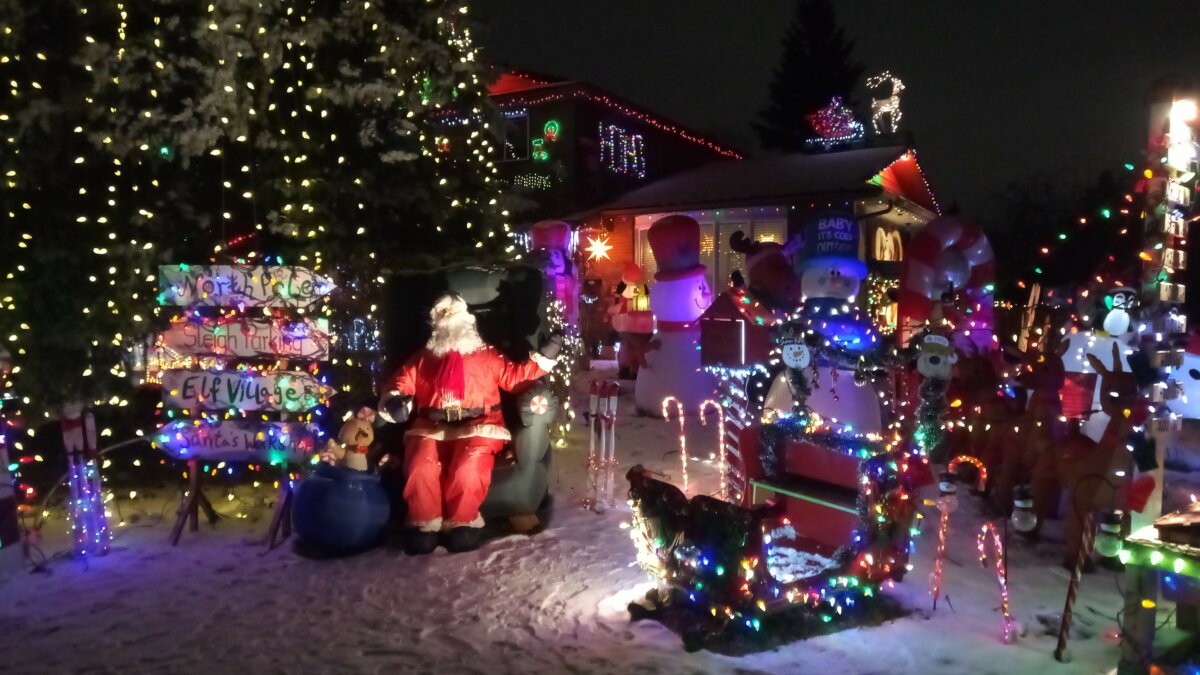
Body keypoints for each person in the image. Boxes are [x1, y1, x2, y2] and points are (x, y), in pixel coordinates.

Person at [379, 293, 560, 554]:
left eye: (454, 315)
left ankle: (462, 523)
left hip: (479, 426)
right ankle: (423, 524)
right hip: (431, 427)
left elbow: (514, 378)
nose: (449, 321)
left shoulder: (487, 356)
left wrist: (543, 358)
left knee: (469, 466)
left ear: (467, 321)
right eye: (444, 315)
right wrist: (395, 402)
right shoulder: (422, 359)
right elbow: (399, 384)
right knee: (420, 463)